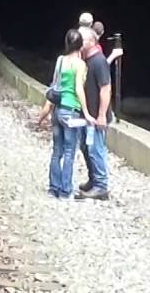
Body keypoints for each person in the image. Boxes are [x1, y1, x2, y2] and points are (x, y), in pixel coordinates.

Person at [39, 28, 90, 199]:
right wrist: (87, 112)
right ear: (80, 45)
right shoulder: (80, 64)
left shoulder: (60, 60)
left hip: (58, 109)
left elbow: (54, 85)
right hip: (71, 111)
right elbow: (78, 89)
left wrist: (47, 109)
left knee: (57, 151)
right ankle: (65, 191)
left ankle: (53, 188)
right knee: (69, 152)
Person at [76, 25, 113, 200]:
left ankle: (101, 186)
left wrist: (101, 115)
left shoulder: (99, 61)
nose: (78, 42)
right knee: (85, 147)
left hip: (96, 117)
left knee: (95, 149)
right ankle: (93, 180)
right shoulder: (85, 60)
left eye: (82, 39)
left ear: (91, 42)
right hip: (87, 116)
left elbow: (105, 89)